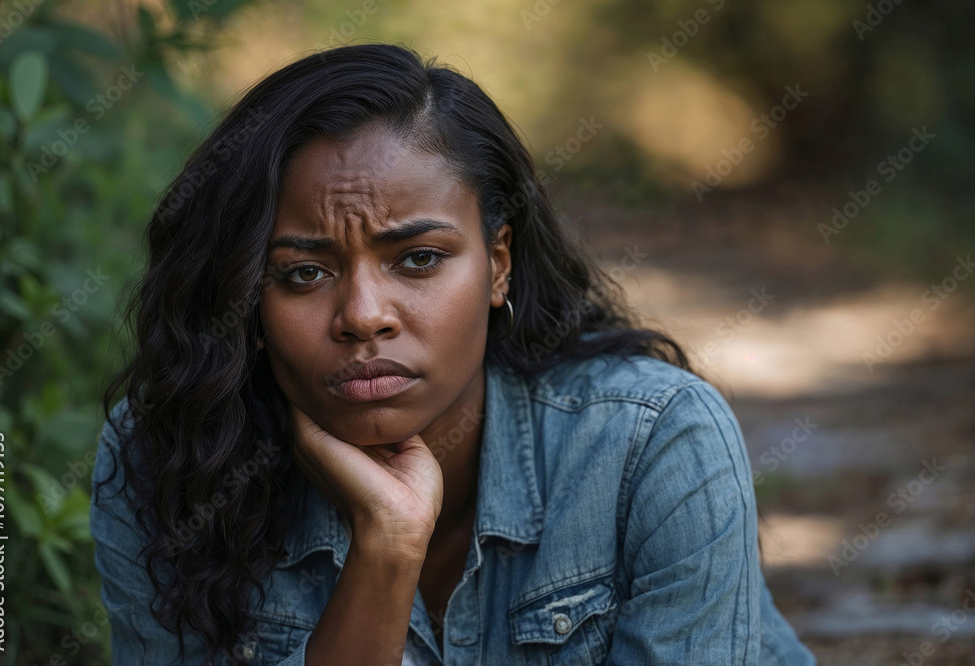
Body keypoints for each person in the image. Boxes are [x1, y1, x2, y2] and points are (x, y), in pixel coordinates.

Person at [89, 42, 816, 665]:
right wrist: (387, 547)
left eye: (419, 259)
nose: (363, 317)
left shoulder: (649, 441)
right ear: (247, 297)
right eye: (302, 274)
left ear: (499, 263)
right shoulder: (169, 459)